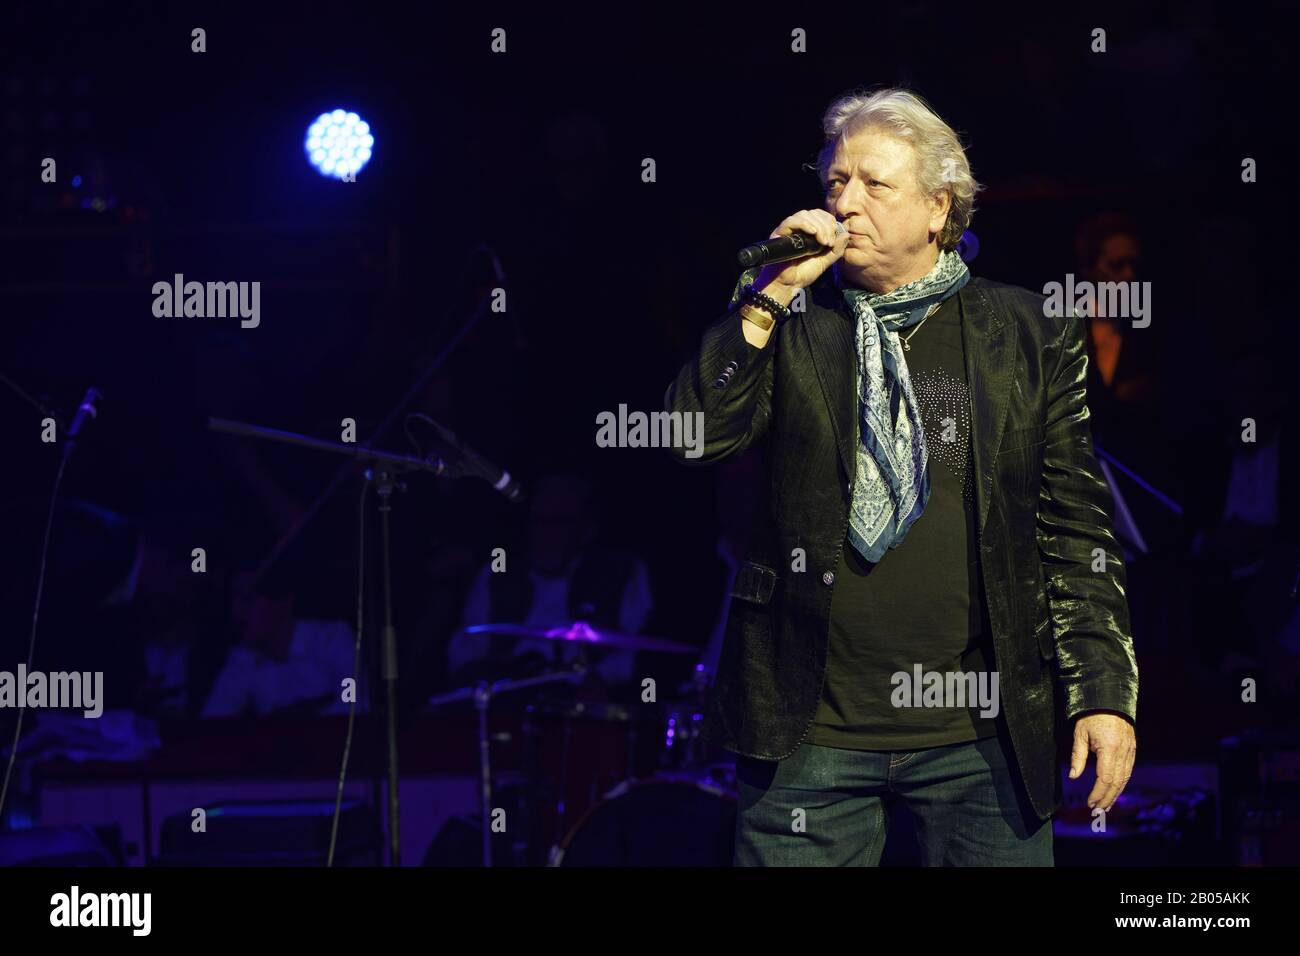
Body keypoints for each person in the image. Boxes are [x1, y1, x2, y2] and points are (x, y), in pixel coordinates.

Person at [664, 87, 1138, 866]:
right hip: (807, 733)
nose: (845, 202)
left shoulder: (1030, 331)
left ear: (937, 208)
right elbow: (694, 438)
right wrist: (767, 296)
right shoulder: (791, 317)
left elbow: (1075, 528)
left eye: (874, 184)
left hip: (980, 738)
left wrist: (1103, 693)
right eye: (835, 182)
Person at [446, 473, 653, 688]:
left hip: (580, 698)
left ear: (586, 529)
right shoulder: (498, 573)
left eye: (559, 523)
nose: (547, 534)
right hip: (509, 694)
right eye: (539, 521)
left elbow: (634, 648)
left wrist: (599, 679)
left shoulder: (620, 571)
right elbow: (467, 646)